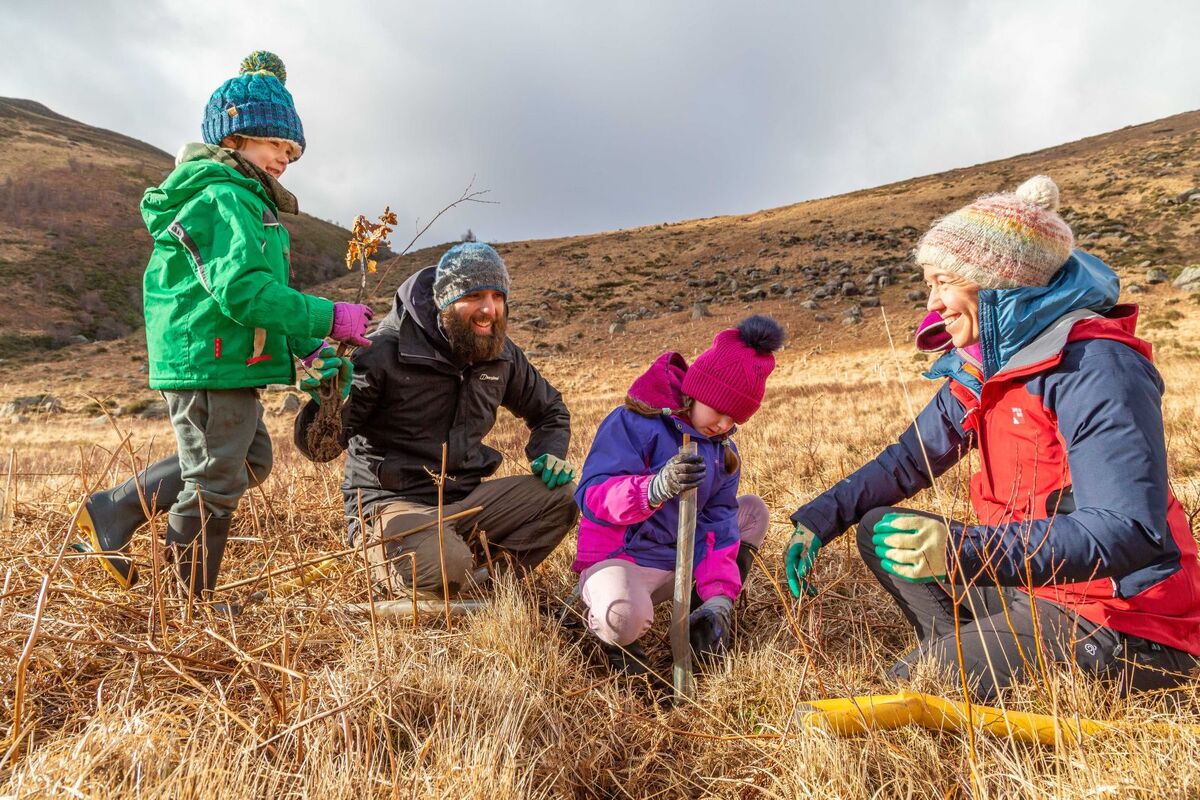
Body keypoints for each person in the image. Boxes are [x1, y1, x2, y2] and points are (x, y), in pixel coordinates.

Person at [784, 176, 1200, 701]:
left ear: (998, 281)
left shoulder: (1096, 367)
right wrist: (816, 521)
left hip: (1123, 620)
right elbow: (908, 461)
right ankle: (966, 658)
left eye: (942, 282)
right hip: (1034, 585)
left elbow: (1127, 531)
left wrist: (962, 550)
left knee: (910, 689)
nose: (933, 303)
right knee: (882, 530)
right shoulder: (982, 370)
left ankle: (961, 670)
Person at [73, 52, 373, 597]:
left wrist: (310, 350)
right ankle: (185, 604)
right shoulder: (224, 198)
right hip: (210, 359)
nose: (285, 159)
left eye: (292, 152)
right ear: (235, 137)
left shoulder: (245, 201)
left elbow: (260, 295)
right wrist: (329, 316)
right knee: (213, 478)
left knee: (249, 461)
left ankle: (113, 510)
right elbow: (243, 293)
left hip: (227, 357)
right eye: (276, 144)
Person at [294, 242, 579, 597]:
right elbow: (319, 450)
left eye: (497, 296)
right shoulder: (383, 352)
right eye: (473, 296)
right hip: (391, 504)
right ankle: (444, 575)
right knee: (447, 565)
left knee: (563, 497)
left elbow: (550, 410)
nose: (489, 309)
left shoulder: (502, 355)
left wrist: (549, 452)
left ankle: (483, 586)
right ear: (445, 302)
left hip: (466, 500)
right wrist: (326, 404)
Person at [573, 315, 783, 675]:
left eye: (735, 418)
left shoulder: (722, 451)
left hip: (681, 563)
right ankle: (619, 642)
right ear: (699, 391)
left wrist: (719, 596)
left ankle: (704, 615)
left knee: (751, 512)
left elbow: (718, 526)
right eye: (720, 411)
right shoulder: (633, 422)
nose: (724, 425)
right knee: (620, 616)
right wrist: (653, 489)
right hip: (624, 559)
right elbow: (593, 496)